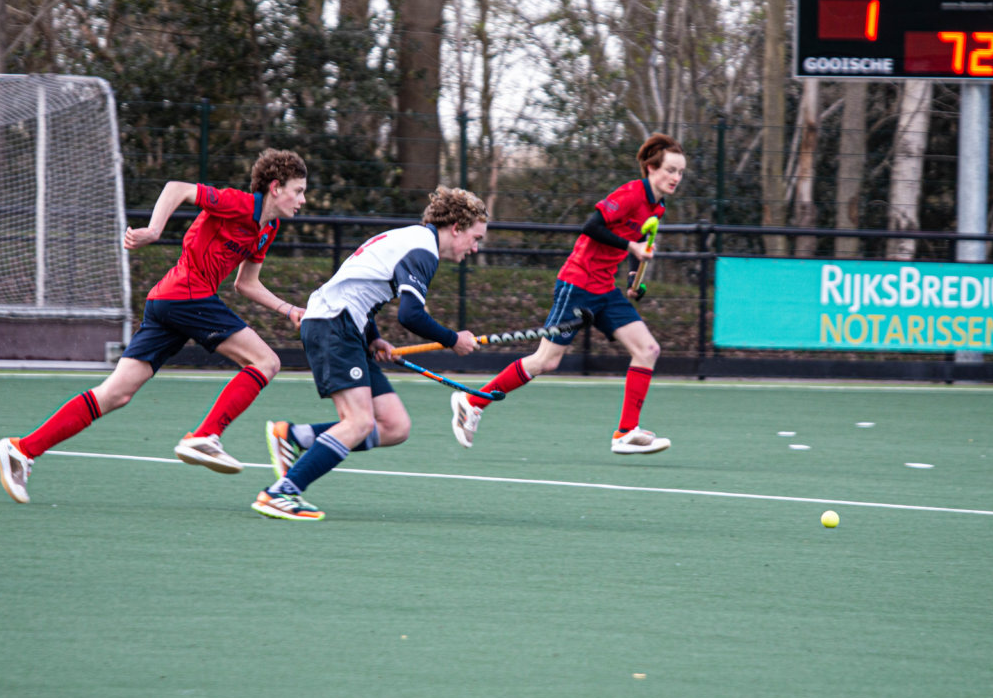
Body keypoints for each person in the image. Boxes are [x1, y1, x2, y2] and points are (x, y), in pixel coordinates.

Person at [0, 149, 310, 503]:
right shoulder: (237, 203)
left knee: (115, 394)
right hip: (186, 296)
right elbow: (177, 188)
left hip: (170, 302)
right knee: (267, 362)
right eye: (298, 191)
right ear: (276, 188)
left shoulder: (268, 228)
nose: (303, 200)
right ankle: (204, 436)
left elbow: (245, 283)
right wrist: (154, 230)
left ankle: (21, 449)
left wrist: (289, 309)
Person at [253, 186, 487, 521]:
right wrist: (453, 339)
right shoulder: (423, 251)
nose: (475, 247)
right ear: (456, 228)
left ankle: (292, 436)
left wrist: (374, 337)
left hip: (348, 325)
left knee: (394, 426)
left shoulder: (410, 239)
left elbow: (361, 284)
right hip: (334, 325)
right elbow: (410, 315)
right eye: (475, 237)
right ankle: (282, 493)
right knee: (359, 421)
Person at [450, 132, 685, 455]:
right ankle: (472, 402)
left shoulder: (657, 208)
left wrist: (633, 275)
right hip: (578, 282)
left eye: (680, 172)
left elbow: (638, 241)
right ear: (651, 168)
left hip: (606, 288)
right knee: (546, 361)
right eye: (670, 170)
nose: (675, 178)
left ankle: (626, 432)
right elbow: (592, 226)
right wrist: (631, 246)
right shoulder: (631, 194)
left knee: (647, 349)